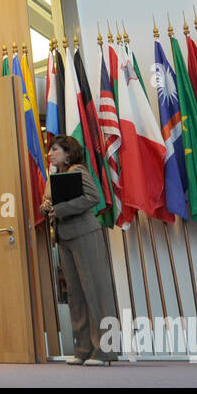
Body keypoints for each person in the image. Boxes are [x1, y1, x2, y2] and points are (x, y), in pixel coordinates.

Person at [40, 135, 117, 366]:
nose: (50, 153)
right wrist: (47, 207)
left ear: (68, 152)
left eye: (55, 149)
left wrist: (60, 208)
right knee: (76, 295)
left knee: (96, 291)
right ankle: (84, 349)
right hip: (65, 237)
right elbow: (53, 205)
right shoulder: (56, 176)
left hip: (85, 234)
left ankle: (105, 351)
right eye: (50, 150)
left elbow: (94, 197)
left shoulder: (78, 171)